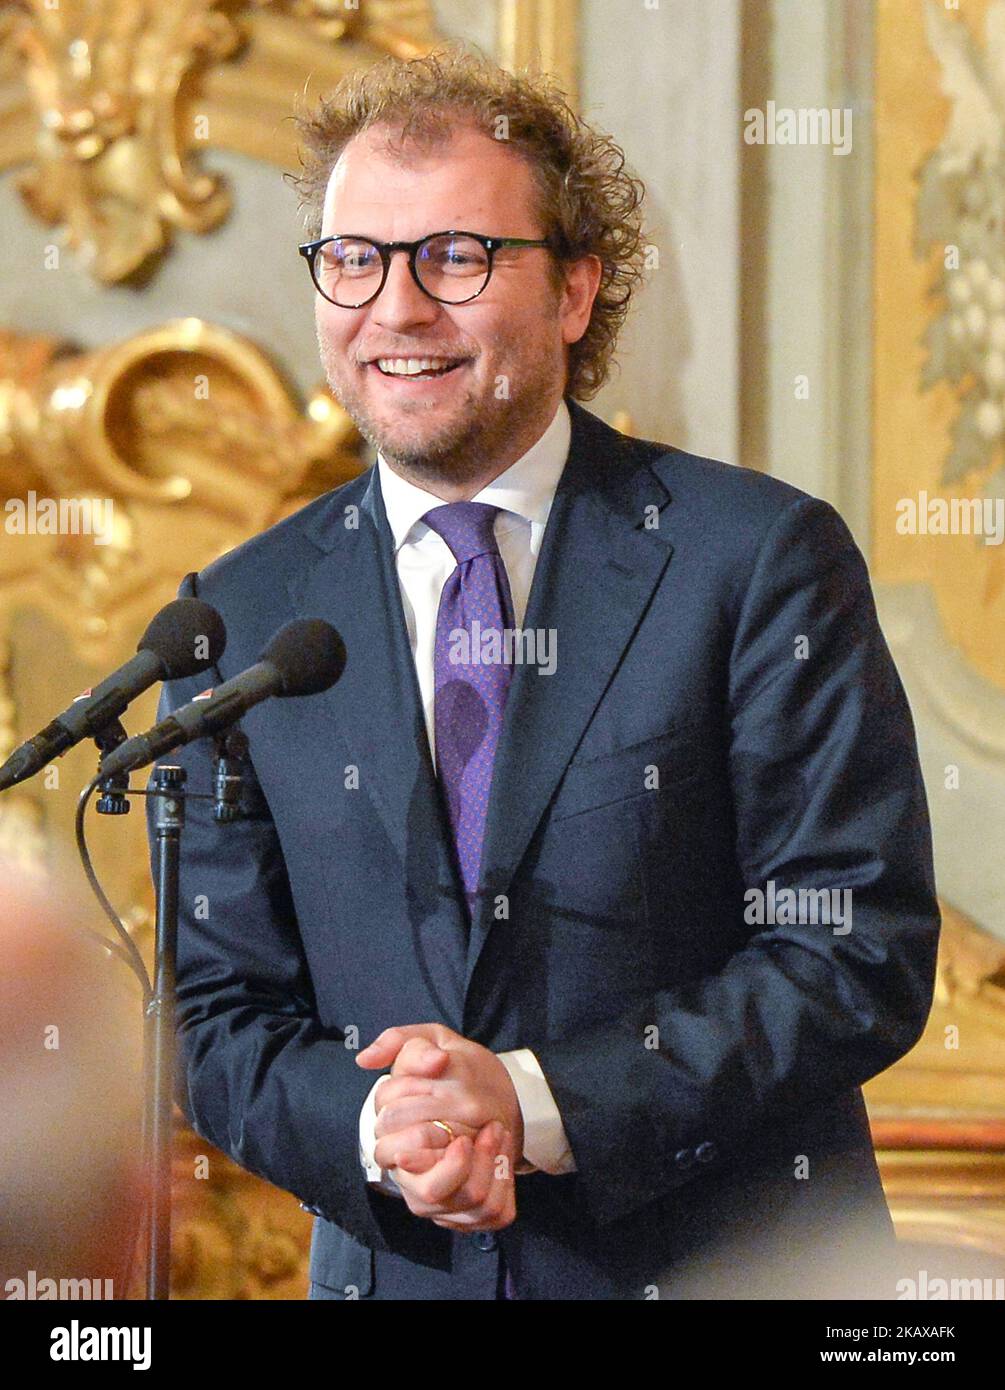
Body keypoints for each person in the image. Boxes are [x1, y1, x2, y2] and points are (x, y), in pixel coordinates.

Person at [148, 46, 940, 1300]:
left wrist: (530, 1100)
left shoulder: (757, 563)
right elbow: (210, 1012)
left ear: (577, 290)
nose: (397, 310)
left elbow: (854, 951)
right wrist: (382, 1135)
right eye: (355, 259)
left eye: (456, 257)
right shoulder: (238, 619)